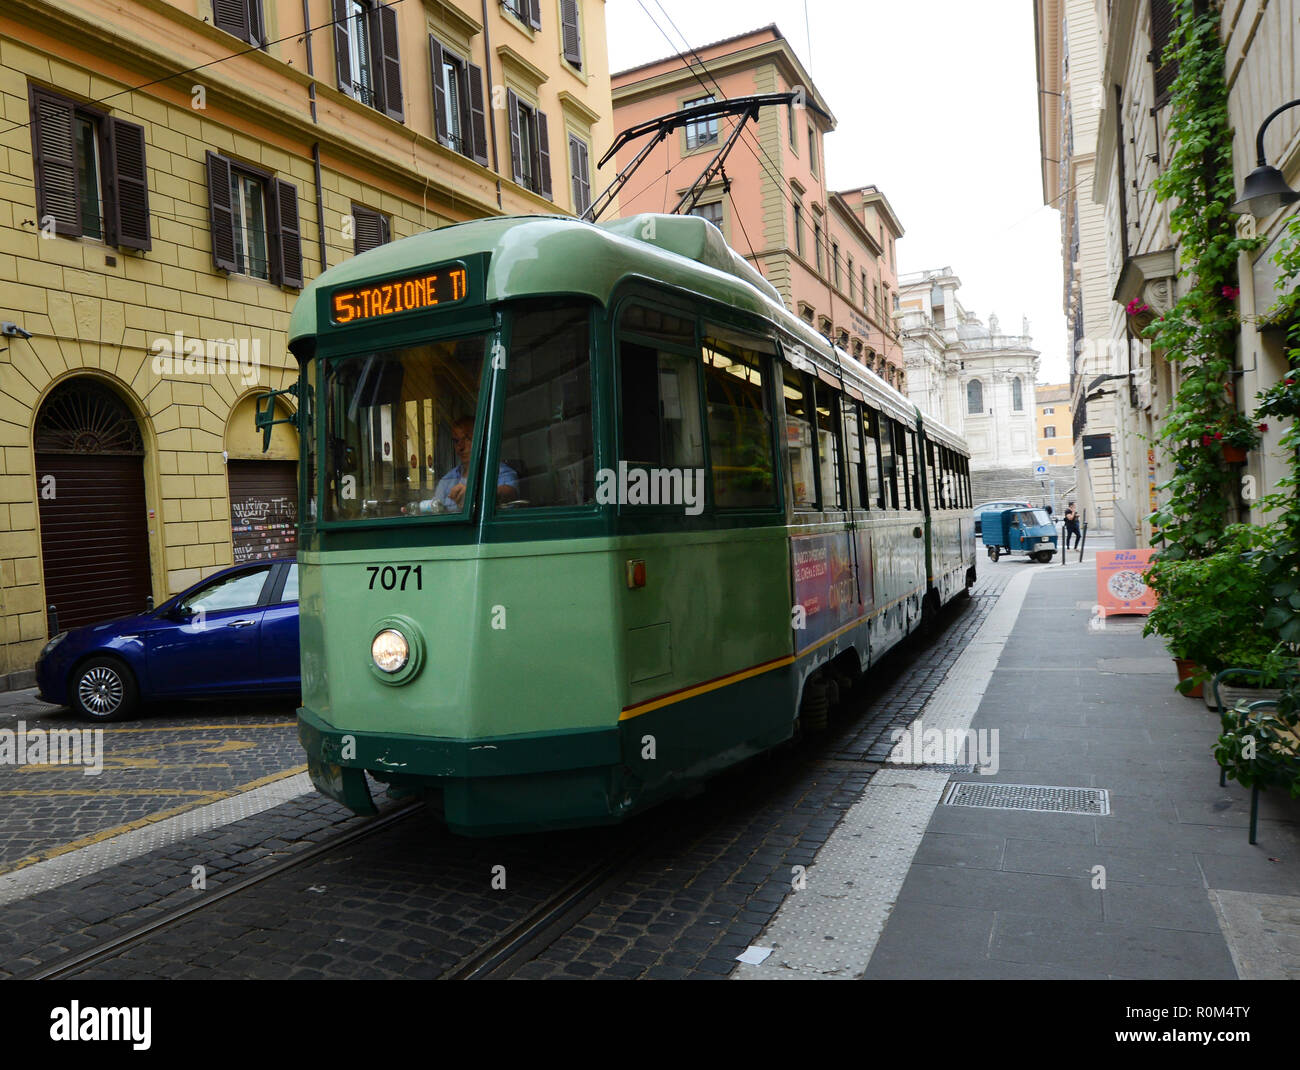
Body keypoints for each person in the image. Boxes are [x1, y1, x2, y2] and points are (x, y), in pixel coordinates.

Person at [431, 416, 518, 510]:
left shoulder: (499, 472)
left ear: (481, 440)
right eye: (456, 441)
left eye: (467, 439)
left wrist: (475, 493)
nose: (460, 447)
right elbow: (435, 509)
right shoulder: (447, 480)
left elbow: (510, 493)